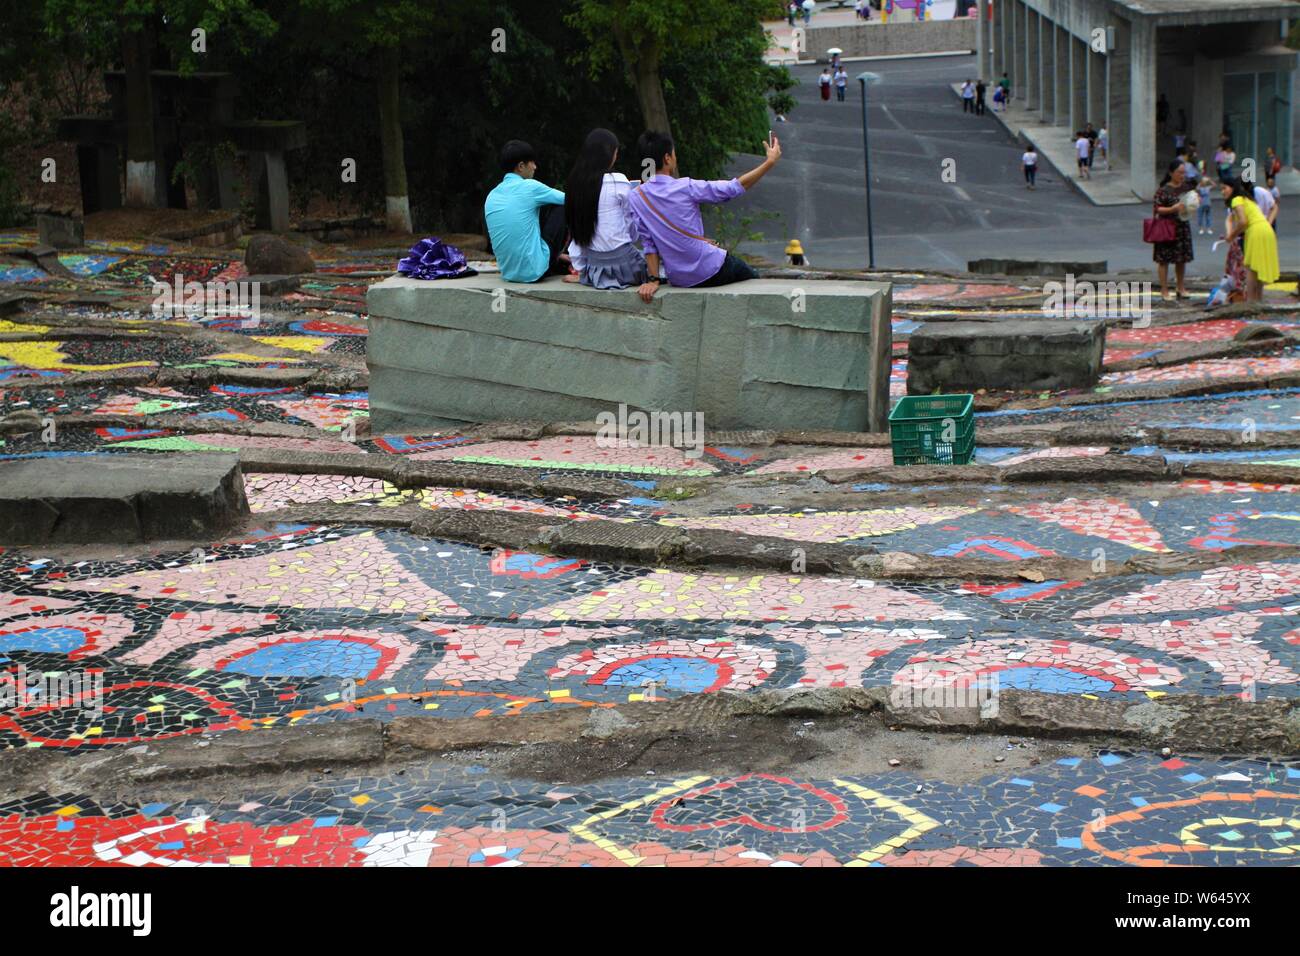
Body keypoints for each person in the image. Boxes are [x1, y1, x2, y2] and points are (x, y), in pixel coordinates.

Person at [628, 129, 781, 302]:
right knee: (753, 277)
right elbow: (734, 188)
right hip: (711, 269)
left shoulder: (636, 196)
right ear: (667, 158)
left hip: (680, 279)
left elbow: (649, 244)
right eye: (674, 153)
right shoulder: (686, 187)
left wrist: (654, 280)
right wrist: (769, 162)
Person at [562, 129, 647, 291]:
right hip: (627, 267)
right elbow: (632, 229)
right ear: (609, 155)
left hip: (596, 270)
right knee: (659, 262)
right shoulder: (619, 181)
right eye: (615, 152)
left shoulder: (575, 185)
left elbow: (576, 236)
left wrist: (582, 271)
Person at [484, 140, 567, 283]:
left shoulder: (492, 195)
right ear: (521, 166)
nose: (535, 167)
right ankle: (578, 257)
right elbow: (571, 200)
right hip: (535, 272)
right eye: (532, 163)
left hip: (508, 273)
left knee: (535, 208)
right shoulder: (530, 187)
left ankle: (556, 258)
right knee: (564, 207)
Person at [1222, 177, 1280, 301]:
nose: (1222, 191)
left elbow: (1243, 222)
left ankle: (1251, 302)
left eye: (1224, 188)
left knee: (1251, 268)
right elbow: (1232, 219)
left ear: (1233, 189)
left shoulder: (1237, 200)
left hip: (1256, 231)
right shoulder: (1248, 199)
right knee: (1259, 268)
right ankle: (1258, 300)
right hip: (1266, 230)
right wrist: (1231, 234)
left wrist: (1231, 236)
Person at [1151, 160, 1193, 301]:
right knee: (1164, 260)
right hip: (1167, 227)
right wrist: (1172, 209)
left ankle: (1180, 288)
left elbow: (1191, 204)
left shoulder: (1186, 188)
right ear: (1171, 173)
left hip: (1182, 226)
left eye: (1183, 172)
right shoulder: (1163, 190)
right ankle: (1164, 290)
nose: (1182, 175)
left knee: (1181, 259)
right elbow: (1158, 209)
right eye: (1179, 172)